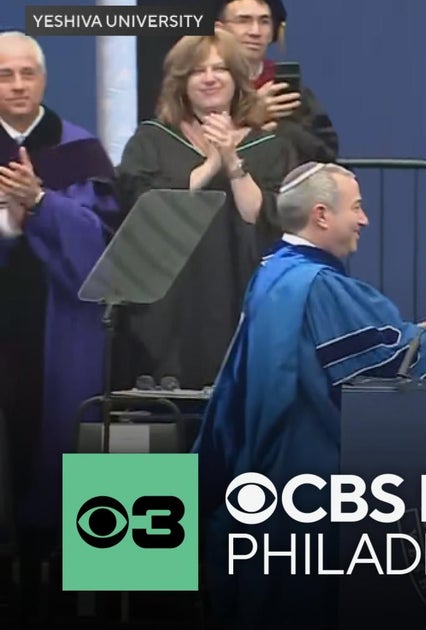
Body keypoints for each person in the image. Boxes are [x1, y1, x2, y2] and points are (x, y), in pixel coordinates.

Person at [192, 162, 426, 630]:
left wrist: (409, 334)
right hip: (309, 474)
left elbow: (356, 341)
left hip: (270, 469)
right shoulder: (319, 285)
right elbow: (383, 361)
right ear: (321, 215)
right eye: (356, 207)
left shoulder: (273, 271)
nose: (365, 219)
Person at [0, 30, 122, 603]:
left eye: (28, 73)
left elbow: (98, 241)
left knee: (56, 432)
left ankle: (74, 571)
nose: (18, 85)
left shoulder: (78, 149)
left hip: (58, 320)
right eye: (5, 75)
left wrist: (42, 203)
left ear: (44, 79)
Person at [115, 30, 296, 390]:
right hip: (168, 304)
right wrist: (210, 164)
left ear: (237, 79)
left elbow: (265, 217)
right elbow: (146, 207)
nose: (210, 78)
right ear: (181, 82)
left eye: (220, 69)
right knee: (158, 427)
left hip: (238, 291)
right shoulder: (151, 140)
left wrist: (232, 162)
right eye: (198, 71)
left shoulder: (271, 147)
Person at [214, 0, 339, 162]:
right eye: (243, 20)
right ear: (219, 29)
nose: (255, 31)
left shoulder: (287, 91)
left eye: (264, 21)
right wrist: (247, 119)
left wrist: (278, 131)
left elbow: (326, 153)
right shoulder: (203, 84)